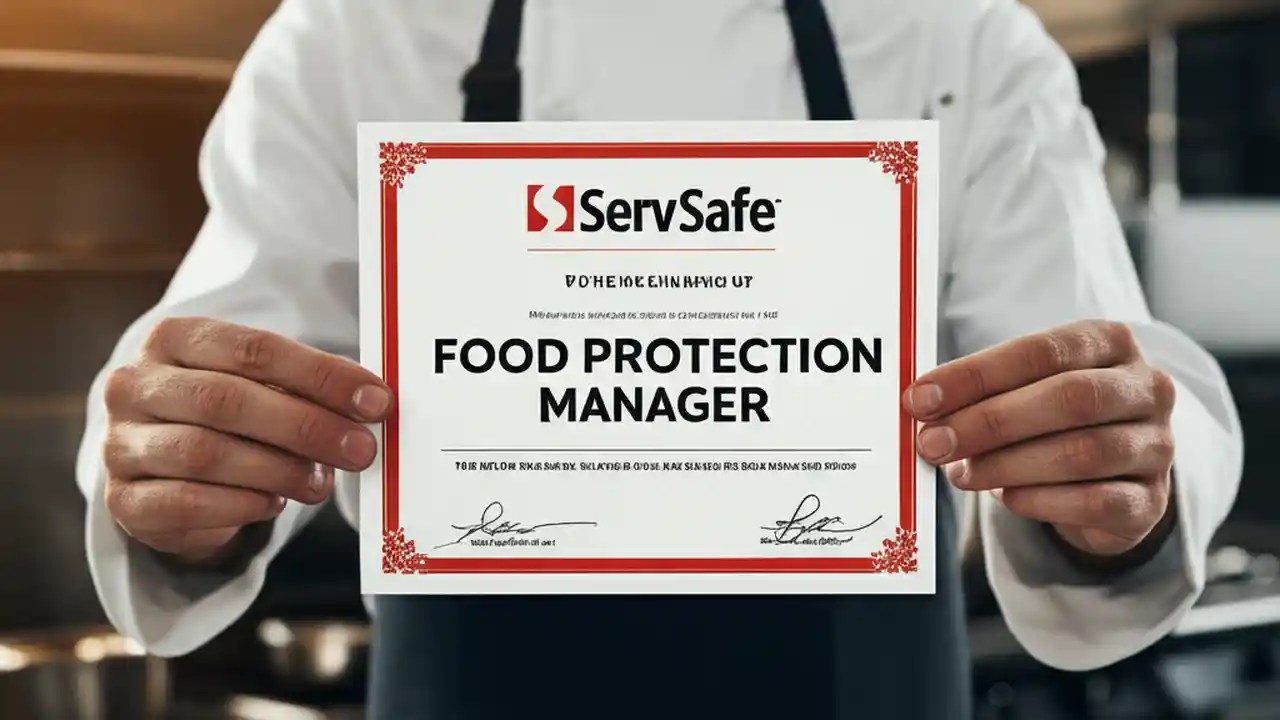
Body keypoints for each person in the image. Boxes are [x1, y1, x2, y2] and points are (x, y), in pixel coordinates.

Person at [76, 1, 1243, 717]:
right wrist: (184, 469)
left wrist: (1123, 469)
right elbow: (214, 388)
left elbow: (1125, 387)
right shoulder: (349, 30)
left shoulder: (959, 34)